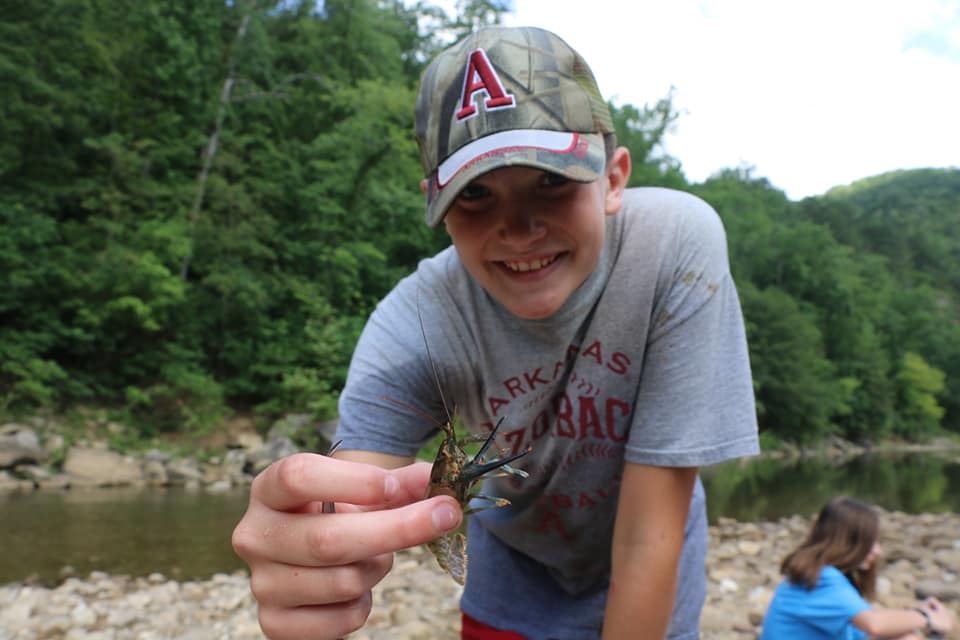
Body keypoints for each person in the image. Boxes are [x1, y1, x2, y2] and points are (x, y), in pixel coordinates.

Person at [232, 25, 760, 640]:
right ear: (436, 204)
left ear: (613, 179)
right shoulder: (413, 324)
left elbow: (648, 539)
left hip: (656, 578)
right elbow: (343, 503)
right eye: (476, 193)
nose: (519, 228)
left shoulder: (672, 246)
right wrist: (308, 549)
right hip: (507, 588)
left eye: (551, 180)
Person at [760, 496, 957, 639]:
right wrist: (927, 618)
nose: (878, 551)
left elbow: (869, 627)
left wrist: (914, 614)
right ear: (848, 543)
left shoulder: (813, 576)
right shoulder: (823, 579)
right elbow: (874, 625)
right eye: (870, 542)